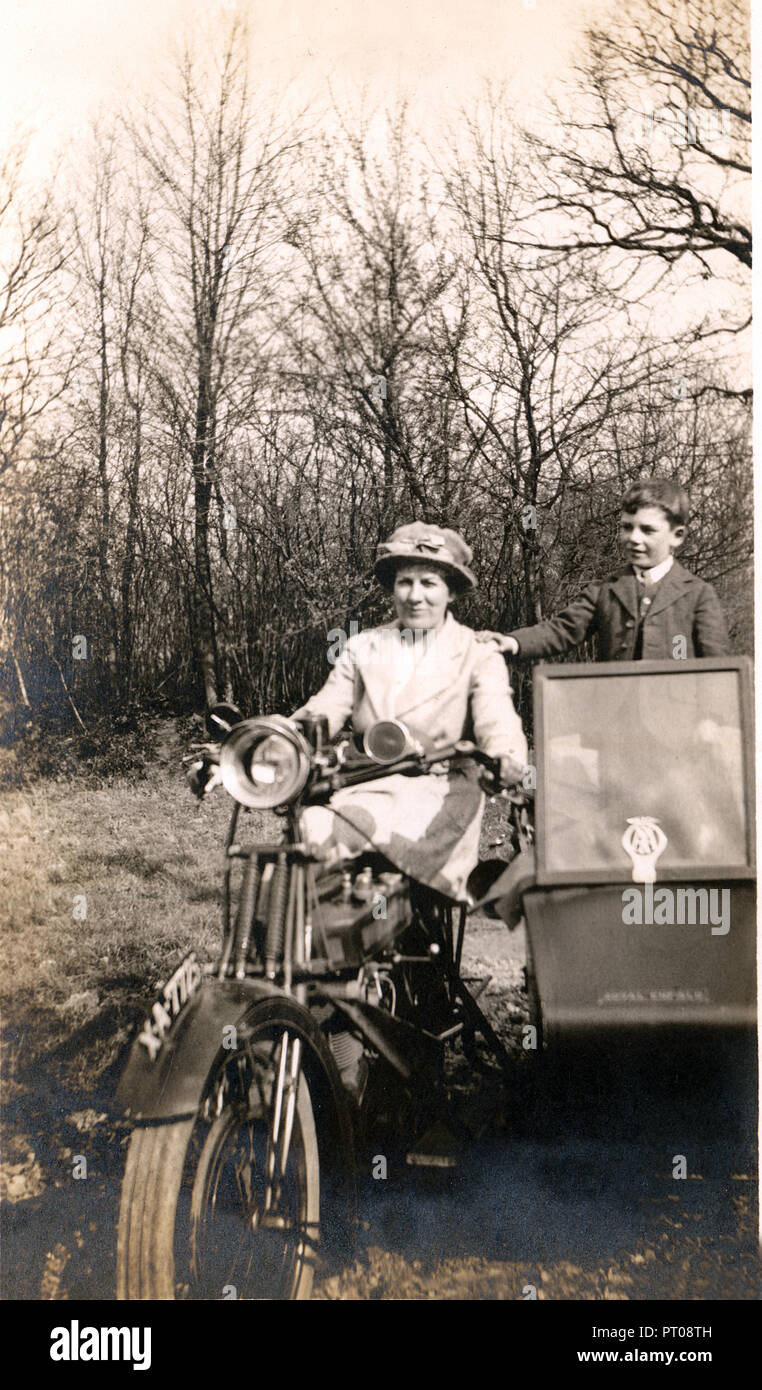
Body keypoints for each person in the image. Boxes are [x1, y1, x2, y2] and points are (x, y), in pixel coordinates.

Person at [292, 521, 528, 902]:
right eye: (405, 582)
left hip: (439, 793)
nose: (415, 596)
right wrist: (273, 741)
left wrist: (506, 757)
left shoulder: (477, 653)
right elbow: (325, 708)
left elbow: (497, 718)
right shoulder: (363, 647)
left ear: (450, 592)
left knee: (387, 850)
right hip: (364, 785)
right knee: (310, 832)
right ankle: (313, 948)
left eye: (429, 583)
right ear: (392, 588)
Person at [480, 479, 730, 662]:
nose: (633, 538)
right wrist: (512, 642)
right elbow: (562, 629)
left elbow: (717, 669)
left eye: (647, 530)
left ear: (677, 536)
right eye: (627, 527)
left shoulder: (698, 595)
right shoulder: (606, 590)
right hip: (614, 720)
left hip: (677, 725)